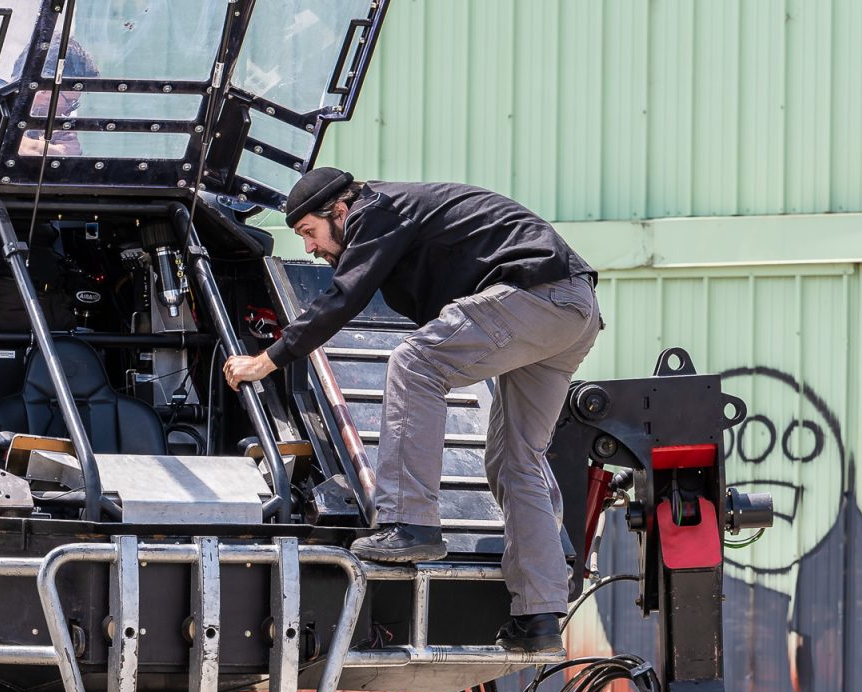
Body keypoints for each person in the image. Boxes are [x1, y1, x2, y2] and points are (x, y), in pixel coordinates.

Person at [223, 167, 601, 654]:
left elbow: (344, 299)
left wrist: (268, 359)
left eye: (308, 233)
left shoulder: (375, 210)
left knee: (415, 361)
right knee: (515, 459)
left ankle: (410, 523)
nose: (309, 249)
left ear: (338, 211)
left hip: (536, 293)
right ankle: (539, 616)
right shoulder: (399, 219)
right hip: (574, 308)